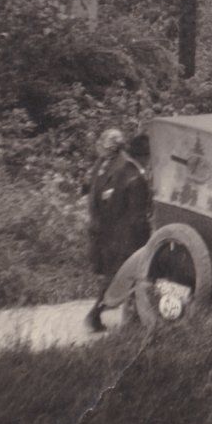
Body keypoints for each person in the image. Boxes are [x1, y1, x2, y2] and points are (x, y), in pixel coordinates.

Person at [83, 129, 152, 332]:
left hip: (115, 234)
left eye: (102, 143)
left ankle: (103, 316)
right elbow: (135, 214)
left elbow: (134, 212)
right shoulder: (114, 167)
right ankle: (101, 315)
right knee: (119, 276)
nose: (99, 146)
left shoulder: (116, 167)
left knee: (118, 276)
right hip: (113, 233)